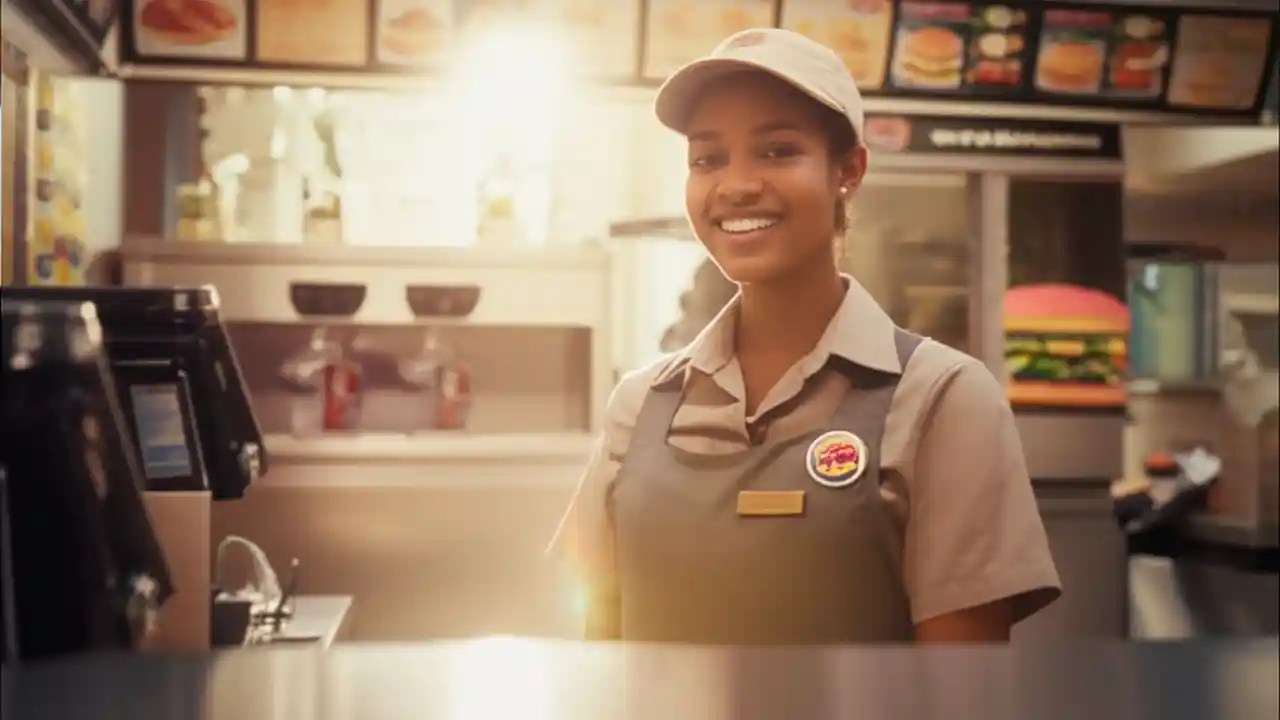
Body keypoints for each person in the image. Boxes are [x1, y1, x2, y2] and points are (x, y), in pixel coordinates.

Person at [551, 28, 1061, 644]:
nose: (735, 185)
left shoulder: (943, 399)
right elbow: (596, 654)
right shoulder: (640, 405)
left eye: (776, 151)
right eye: (707, 159)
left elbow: (959, 692)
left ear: (847, 171)